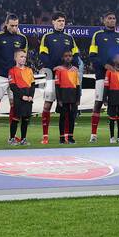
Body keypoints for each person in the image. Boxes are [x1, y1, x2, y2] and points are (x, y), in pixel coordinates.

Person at [38, 12, 81, 146]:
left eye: (63, 21)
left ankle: (66, 136)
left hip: (67, 76)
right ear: (53, 22)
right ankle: (45, 136)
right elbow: (43, 55)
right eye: (59, 21)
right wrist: (54, 67)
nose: (61, 23)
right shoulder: (47, 37)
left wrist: (73, 66)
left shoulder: (69, 37)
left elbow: (76, 55)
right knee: (47, 104)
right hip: (52, 75)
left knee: (68, 106)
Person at [87, 12, 119, 142]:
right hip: (102, 75)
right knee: (98, 103)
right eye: (109, 18)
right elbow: (92, 55)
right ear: (104, 20)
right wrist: (105, 65)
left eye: (114, 18)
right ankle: (93, 135)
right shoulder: (98, 35)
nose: (112, 20)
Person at [0, 14, 29, 144]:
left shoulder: (22, 39)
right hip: (0, 75)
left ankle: (12, 135)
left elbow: (23, 57)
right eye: (12, 25)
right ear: (6, 24)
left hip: (15, 77)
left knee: (15, 107)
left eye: (16, 25)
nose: (14, 28)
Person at [7, 48, 36, 144]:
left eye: (25, 57)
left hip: (28, 97)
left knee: (26, 118)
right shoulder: (12, 71)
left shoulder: (29, 70)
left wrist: (31, 96)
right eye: (21, 57)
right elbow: (12, 86)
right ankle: (11, 138)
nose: (23, 59)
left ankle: (23, 139)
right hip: (19, 97)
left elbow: (32, 85)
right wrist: (21, 96)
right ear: (15, 58)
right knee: (16, 118)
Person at [54, 50, 82, 144]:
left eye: (70, 56)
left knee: (72, 117)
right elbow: (57, 86)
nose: (68, 57)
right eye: (66, 56)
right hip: (63, 96)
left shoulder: (75, 70)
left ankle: (70, 137)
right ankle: (62, 138)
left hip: (73, 97)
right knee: (62, 117)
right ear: (63, 57)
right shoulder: (59, 70)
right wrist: (59, 99)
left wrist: (78, 99)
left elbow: (78, 85)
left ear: (72, 57)